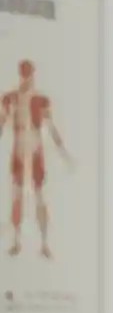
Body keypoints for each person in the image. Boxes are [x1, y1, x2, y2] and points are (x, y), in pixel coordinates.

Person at [0, 59, 74, 259]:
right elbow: (1, 122)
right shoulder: (9, 98)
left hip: (35, 150)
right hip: (18, 150)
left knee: (40, 197)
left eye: (29, 74)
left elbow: (51, 128)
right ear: (20, 75)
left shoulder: (41, 100)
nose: (26, 78)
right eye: (24, 74)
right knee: (16, 197)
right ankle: (16, 242)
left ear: (33, 75)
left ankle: (44, 243)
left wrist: (64, 153)